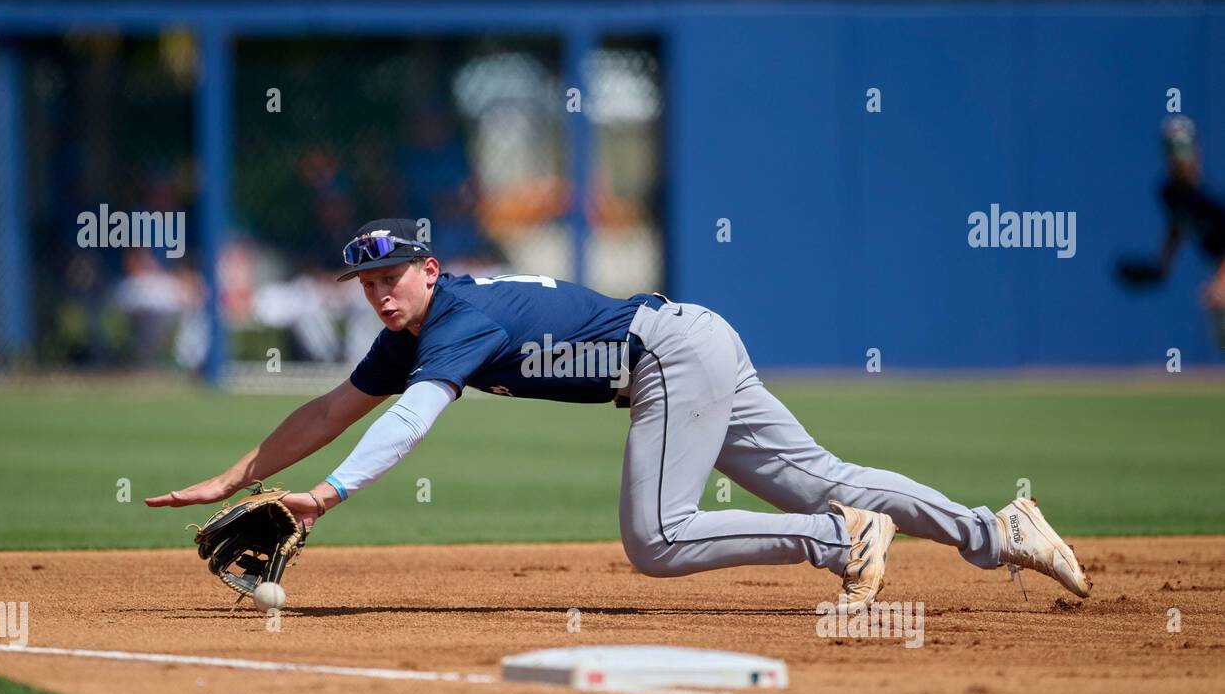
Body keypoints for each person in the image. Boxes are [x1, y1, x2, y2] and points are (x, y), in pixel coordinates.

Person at [146, 218, 1092, 606]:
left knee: (659, 537)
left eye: (392, 274)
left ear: (430, 269)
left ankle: (838, 542)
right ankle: (999, 529)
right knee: (831, 479)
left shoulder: (458, 321)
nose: (379, 292)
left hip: (669, 357)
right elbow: (335, 406)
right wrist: (241, 475)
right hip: (685, 345)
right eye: (365, 280)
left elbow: (408, 422)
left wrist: (334, 494)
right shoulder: (417, 328)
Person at [1157, 116, 1225, 330]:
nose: (1179, 162)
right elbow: (1178, 224)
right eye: (1173, 152)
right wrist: (1163, 264)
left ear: (1197, 154)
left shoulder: (1211, 196)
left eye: (1184, 151)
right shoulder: (1172, 192)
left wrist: (1222, 280)